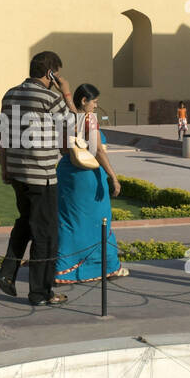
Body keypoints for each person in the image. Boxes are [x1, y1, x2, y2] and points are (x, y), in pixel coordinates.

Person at [0, 50, 75, 307]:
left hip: (18, 173)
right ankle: (41, 293)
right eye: (56, 74)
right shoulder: (50, 97)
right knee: (46, 235)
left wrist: (4, 168)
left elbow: (3, 134)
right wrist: (66, 92)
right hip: (41, 175)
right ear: (50, 73)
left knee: (26, 223)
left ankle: (8, 272)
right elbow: (76, 124)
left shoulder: (10, 94)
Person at [55, 84, 128, 284]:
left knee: (70, 221)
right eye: (94, 101)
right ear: (84, 101)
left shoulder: (66, 120)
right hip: (88, 177)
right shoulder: (89, 120)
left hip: (68, 175)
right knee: (100, 220)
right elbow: (98, 151)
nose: (96, 105)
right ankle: (107, 267)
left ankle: (64, 270)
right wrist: (113, 176)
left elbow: (62, 150)